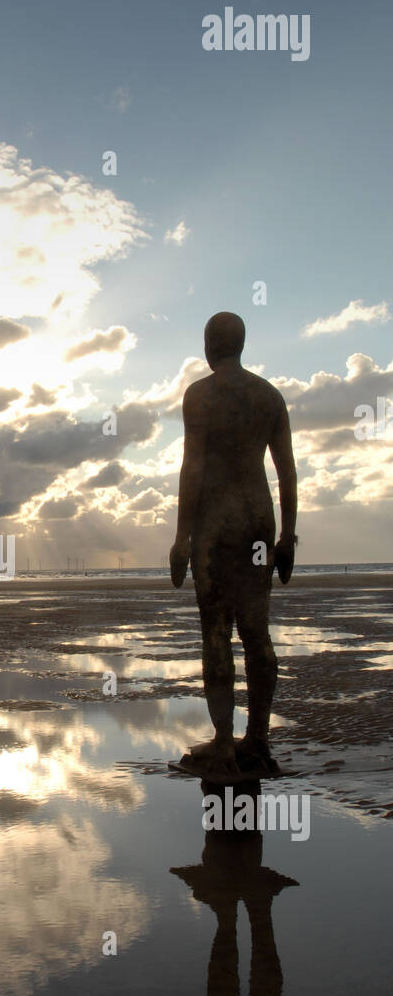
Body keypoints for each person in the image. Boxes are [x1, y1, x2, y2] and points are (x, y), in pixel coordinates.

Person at [169, 312, 297, 780]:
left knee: (216, 632)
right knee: (256, 631)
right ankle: (258, 738)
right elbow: (286, 470)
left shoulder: (200, 395)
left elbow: (193, 469)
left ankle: (225, 740)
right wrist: (287, 536)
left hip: (215, 524)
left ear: (209, 345)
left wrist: (182, 537)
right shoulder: (269, 396)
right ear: (240, 344)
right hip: (258, 522)